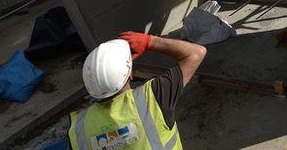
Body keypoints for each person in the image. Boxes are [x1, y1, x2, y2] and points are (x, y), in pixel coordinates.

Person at [68, 32, 207, 149]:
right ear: (130, 74)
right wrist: (150, 41)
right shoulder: (154, 97)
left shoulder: (78, 128)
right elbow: (196, 53)